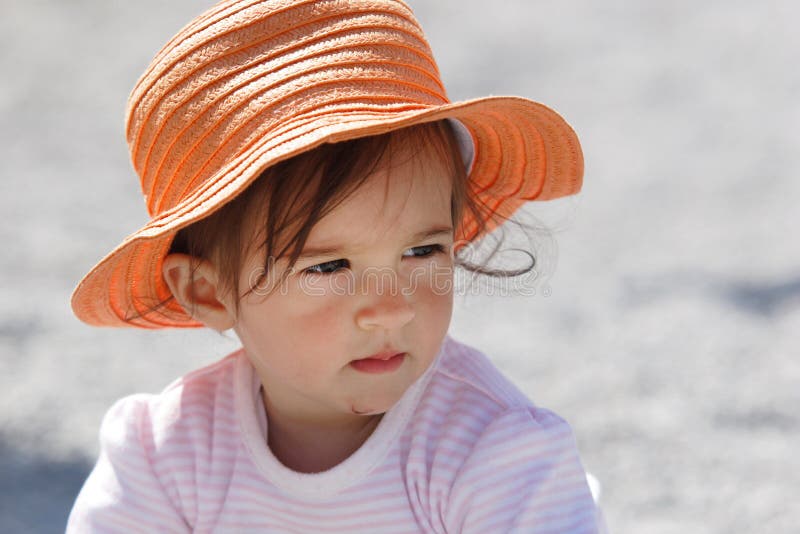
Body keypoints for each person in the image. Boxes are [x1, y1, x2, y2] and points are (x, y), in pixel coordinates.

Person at [67, 0, 608, 531]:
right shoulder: (168, 453)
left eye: (421, 252)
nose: (390, 311)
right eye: (328, 269)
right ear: (208, 293)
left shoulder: (495, 455)